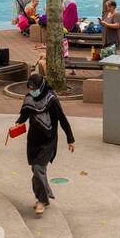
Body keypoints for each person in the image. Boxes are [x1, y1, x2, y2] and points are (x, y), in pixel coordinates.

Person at [14, 72, 75, 215]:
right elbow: (25, 114)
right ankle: (46, 194)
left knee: (38, 169)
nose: (32, 91)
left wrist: (70, 139)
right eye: (30, 88)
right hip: (33, 141)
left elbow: (62, 119)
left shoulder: (51, 100)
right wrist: (18, 123)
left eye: (34, 88)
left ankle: (41, 200)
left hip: (48, 141)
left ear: (41, 87)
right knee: (38, 170)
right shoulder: (29, 98)